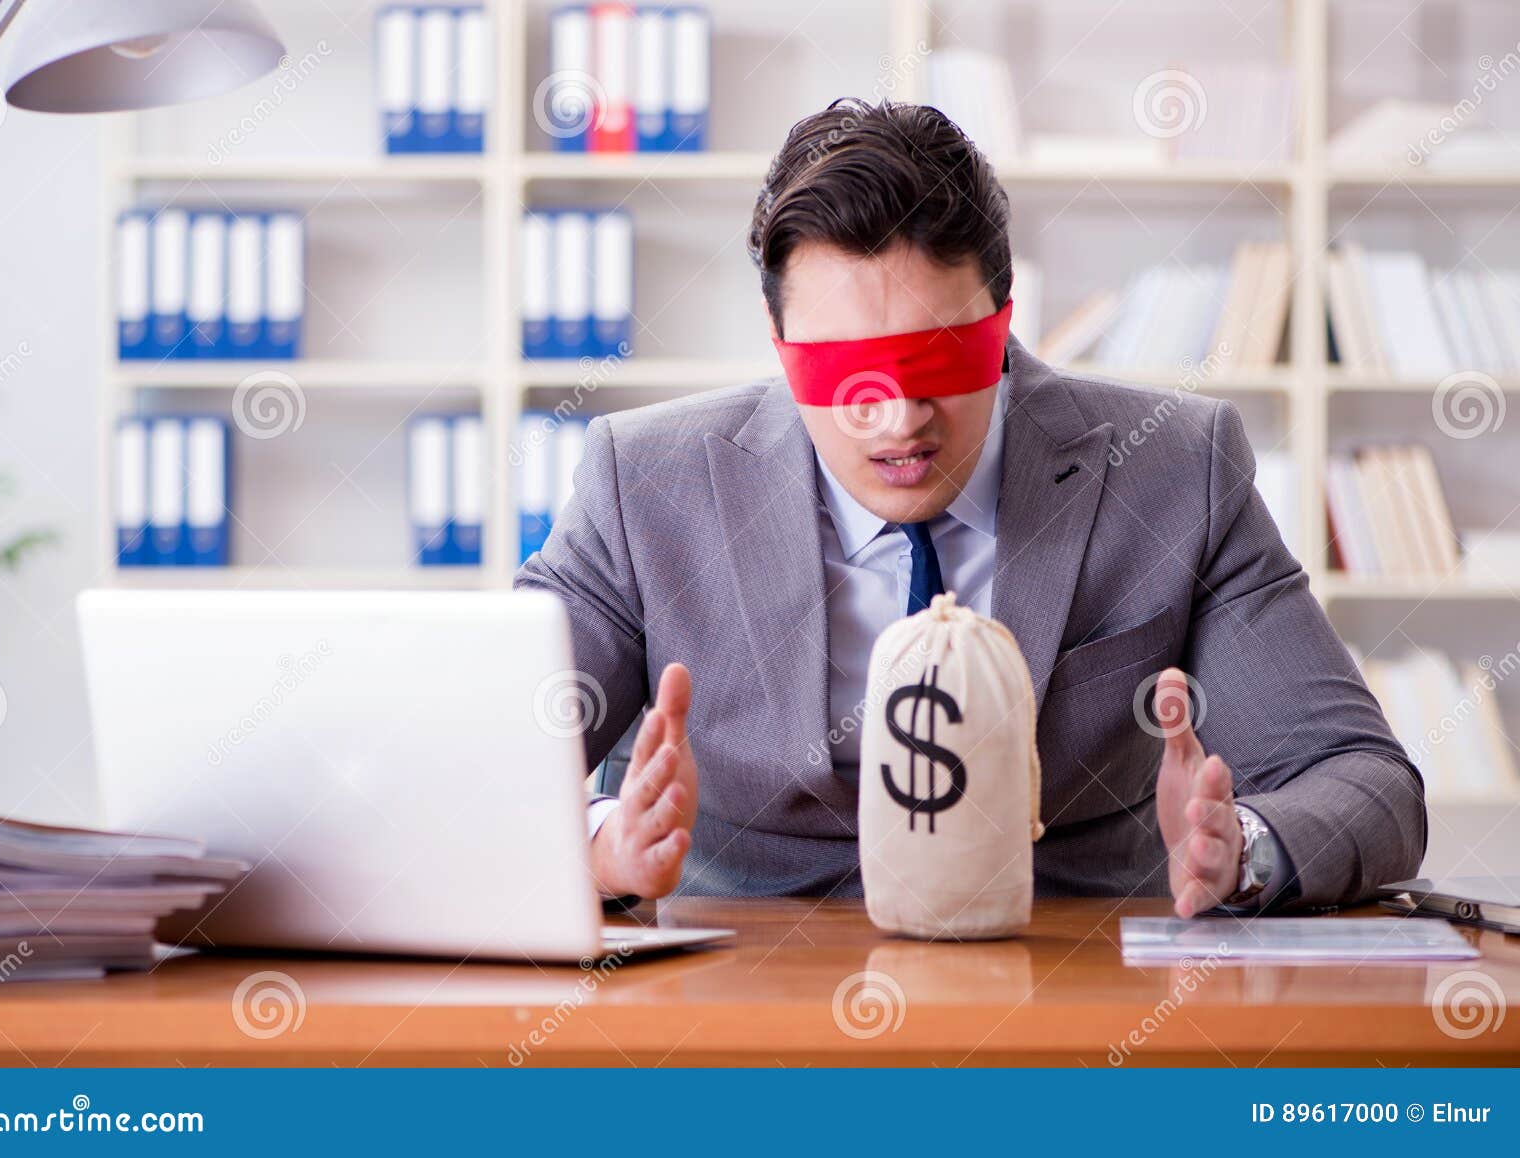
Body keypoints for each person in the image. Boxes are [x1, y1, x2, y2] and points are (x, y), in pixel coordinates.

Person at [515, 99, 1425, 917]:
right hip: (741, 1001)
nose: (902, 420)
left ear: (1005, 313)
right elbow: (471, 755)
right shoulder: (649, 485)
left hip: (1066, 1003)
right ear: (779, 344)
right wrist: (601, 842)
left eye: (942, 360)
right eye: (844, 375)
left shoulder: (1172, 472)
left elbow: (1366, 779)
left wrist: (1246, 849)